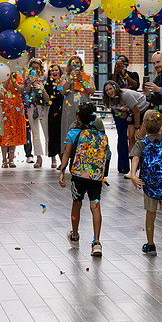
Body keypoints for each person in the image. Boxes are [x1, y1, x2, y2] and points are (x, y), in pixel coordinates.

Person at [58, 103, 110, 257]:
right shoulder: (100, 134)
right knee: (95, 204)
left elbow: (66, 154)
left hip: (78, 176)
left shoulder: (73, 133)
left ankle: (75, 236)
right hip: (95, 176)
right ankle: (96, 242)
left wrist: (61, 172)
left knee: (77, 204)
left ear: (78, 117)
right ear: (94, 117)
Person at [130, 110, 162, 265]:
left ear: (144, 125)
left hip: (150, 185)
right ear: (161, 126)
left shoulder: (142, 143)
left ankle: (151, 245)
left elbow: (136, 158)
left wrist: (133, 175)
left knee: (150, 215)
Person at [102, 80, 149, 175]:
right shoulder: (110, 101)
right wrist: (122, 111)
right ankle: (133, 169)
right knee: (131, 138)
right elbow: (122, 116)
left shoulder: (125, 94)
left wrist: (137, 128)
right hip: (131, 112)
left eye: (110, 89)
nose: (109, 92)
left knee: (139, 137)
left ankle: (143, 167)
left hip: (143, 109)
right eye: (106, 90)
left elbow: (137, 111)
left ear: (115, 87)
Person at [0, 71, 27, 168]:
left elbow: (21, 90)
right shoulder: (0, 75)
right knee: (4, 133)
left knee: (14, 133)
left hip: (16, 107)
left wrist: (14, 82)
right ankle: (4, 159)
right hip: (4, 106)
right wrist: (6, 81)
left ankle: (11, 159)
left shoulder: (17, 75)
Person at [60, 55, 94, 137]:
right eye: (73, 63)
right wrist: (70, 79)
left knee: (84, 127)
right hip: (69, 106)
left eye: (77, 62)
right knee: (69, 127)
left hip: (83, 105)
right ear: (69, 65)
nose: (75, 64)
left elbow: (92, 91)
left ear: (81, 64)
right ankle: (68, 148)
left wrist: (82, 80)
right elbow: (62, 92)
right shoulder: (64, 76)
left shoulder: (87, 76)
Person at [23, 59, 47, 167]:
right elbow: (25, 92)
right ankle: (38, 157)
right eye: (33, 68)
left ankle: (52, 158)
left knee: (47, 132)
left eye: (37, 68)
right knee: (35, 133)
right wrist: (31, 82)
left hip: (44, 107)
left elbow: (48, 93)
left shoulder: (46, 78)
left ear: (41, 69)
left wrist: (40, 83)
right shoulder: (28, 79)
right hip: (31, 107)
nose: (35, 70)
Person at [43, 64, 65, 168]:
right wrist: (43, 90)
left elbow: (65, 94)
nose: (54, 72)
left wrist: (59, 84)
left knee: (63, 135)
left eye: (56, 70)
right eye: (52, 71)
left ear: (60, 72)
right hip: (53, 111)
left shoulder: (64, 82)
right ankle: (56, 159)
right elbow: (48, 101)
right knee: (54, 135)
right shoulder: (48, 84)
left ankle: (65, 161)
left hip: (64, 110)